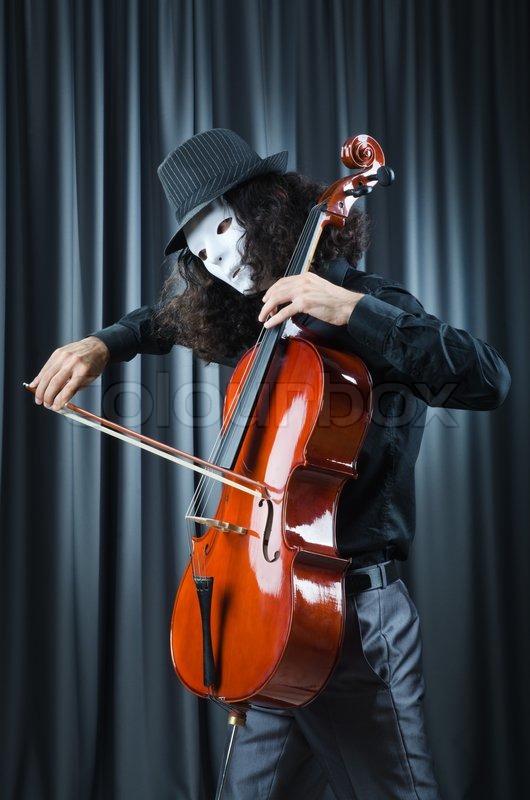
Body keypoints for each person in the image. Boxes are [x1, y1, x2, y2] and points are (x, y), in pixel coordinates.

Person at [30, 128, 511, 799]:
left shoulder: (377, 308)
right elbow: (163, 319)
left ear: (266, 210)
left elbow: (488, 379)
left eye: (225, 227)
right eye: (202, 249)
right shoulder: (250, 321)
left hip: (354, 627)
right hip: (264, 622)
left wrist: (348, 310)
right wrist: (103, 344)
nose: (221, 257)